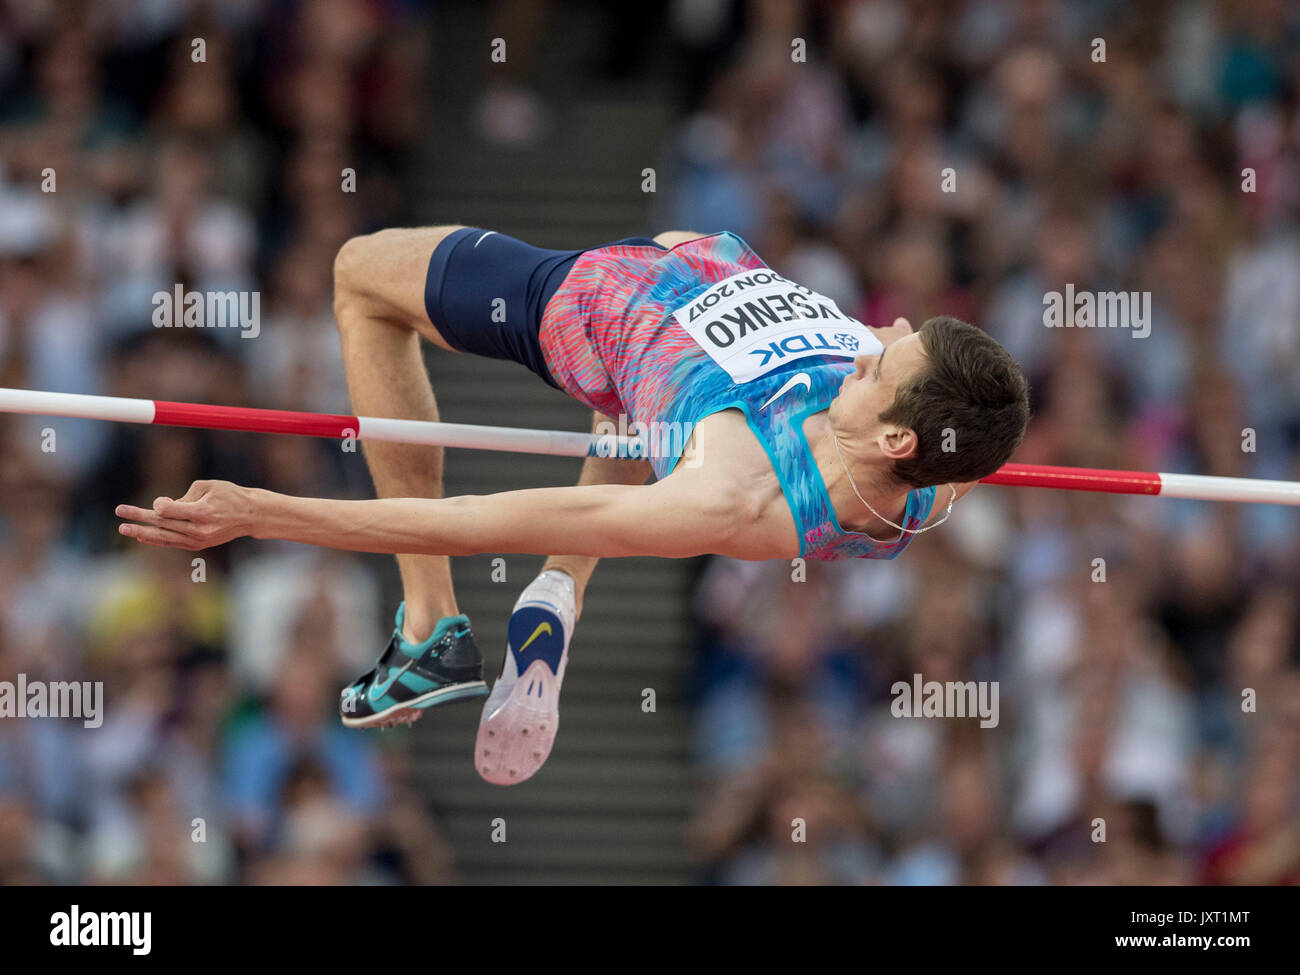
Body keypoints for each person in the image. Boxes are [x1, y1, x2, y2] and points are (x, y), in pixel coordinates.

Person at [116, 227, 1030, 784]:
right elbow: (972, 397)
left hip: (606, 310)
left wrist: (263, 511)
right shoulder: (948, 461)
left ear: (897, 440)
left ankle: (432, 624)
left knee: (361, 274)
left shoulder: (729, 498)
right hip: (707, 295)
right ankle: (559, 594)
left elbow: (472, 521)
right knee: (646, 402)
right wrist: (899, 356)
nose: (877, 340)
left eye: (882, 365)